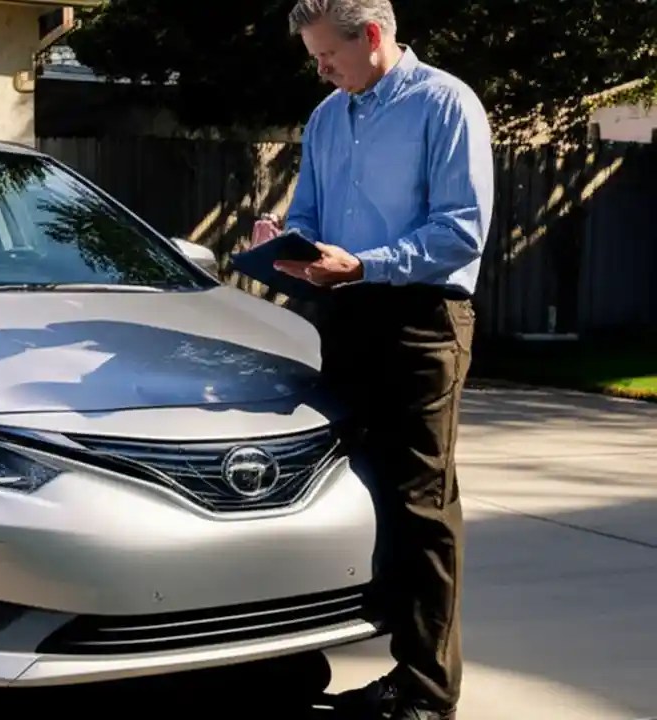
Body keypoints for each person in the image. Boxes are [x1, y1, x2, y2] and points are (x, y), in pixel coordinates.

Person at [251, 1, 494, 719]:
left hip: (422, 321)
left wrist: (363, 264)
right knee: (345, 490)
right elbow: (311, 214)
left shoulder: (446, 104)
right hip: (343, 314)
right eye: (315, 57)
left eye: (328, 54)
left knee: (421, 504)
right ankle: (358, 661)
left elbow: (459, 232)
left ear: (374, 36)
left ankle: (426, 691)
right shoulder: (328, 115)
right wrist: (288, 241)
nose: (320, 68)